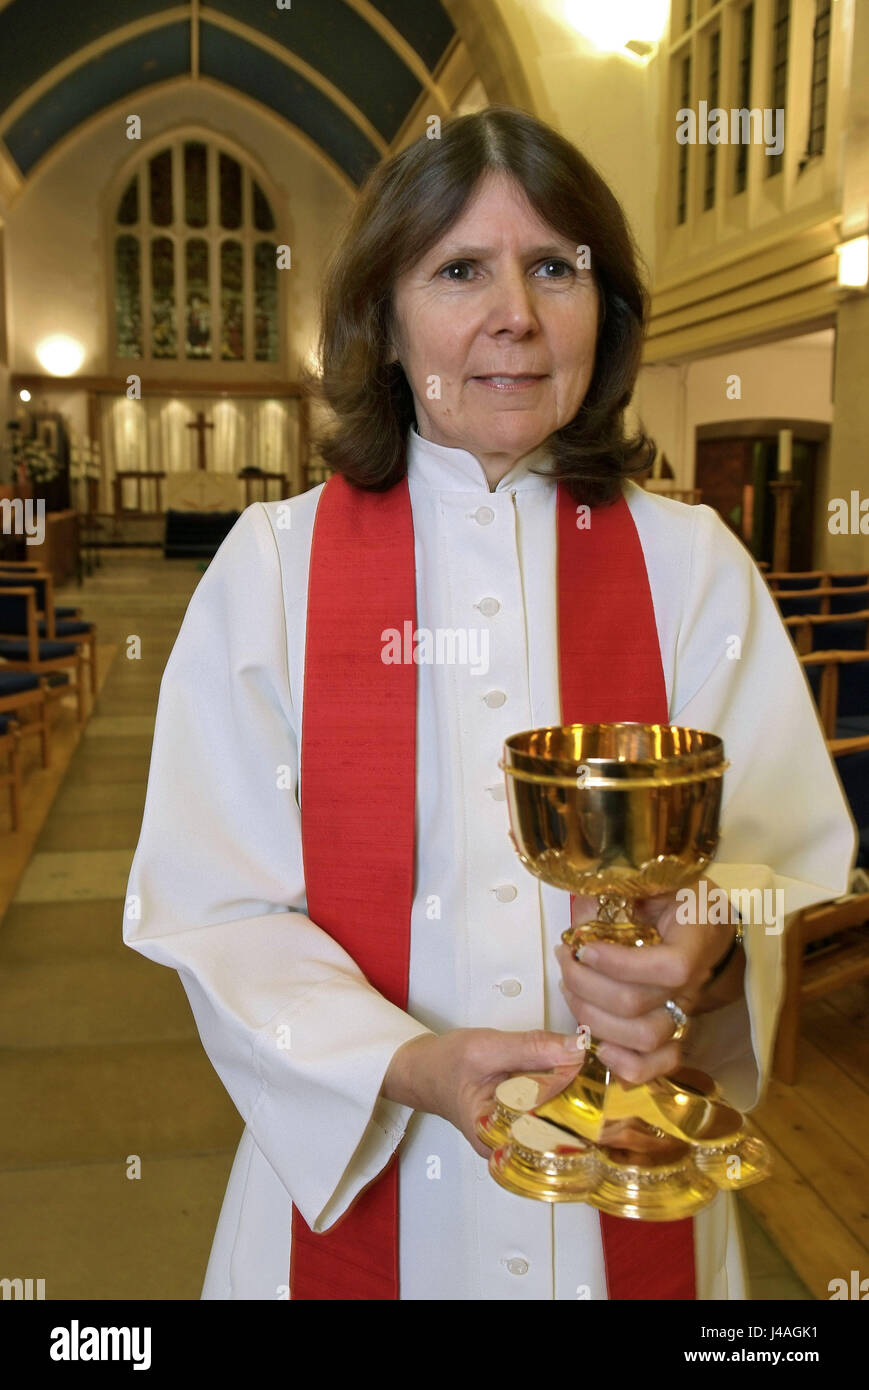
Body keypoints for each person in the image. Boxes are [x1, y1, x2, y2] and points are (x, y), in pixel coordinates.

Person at [123, 106, 855, 1300]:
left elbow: (769, 863)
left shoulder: (693, 563)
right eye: (459, 268)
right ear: (386, 317)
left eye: (553, 267)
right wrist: (410, 1065)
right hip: (366, 1187)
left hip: (631, 1193)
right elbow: (218, 912)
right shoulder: (272, 568)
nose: (513, 311)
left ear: (600, 314)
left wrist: (711, 959)